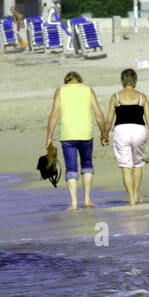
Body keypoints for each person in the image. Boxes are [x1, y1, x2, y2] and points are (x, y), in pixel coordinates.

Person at [45, 70, 108, 211]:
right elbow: (98, 114)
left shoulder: (60, 90)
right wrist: (104, 133)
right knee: (87, 165)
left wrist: (49, 136)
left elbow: (54, 114)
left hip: (68, 135)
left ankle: (74, 203)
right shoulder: (87, 89)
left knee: (71, 168)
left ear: (67, 81)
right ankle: (87, 199)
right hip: (86, 133)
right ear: (79, 80)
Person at [103, 67, 149, 206]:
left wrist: (104, 134)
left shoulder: (115, 97)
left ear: (123, 81)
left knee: (125, 166)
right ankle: (136, 194)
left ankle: (131, 198)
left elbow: (109, 120)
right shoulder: (142, 97)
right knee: (138, 163)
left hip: (121, 131)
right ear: (135, 80)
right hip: (139, 130)